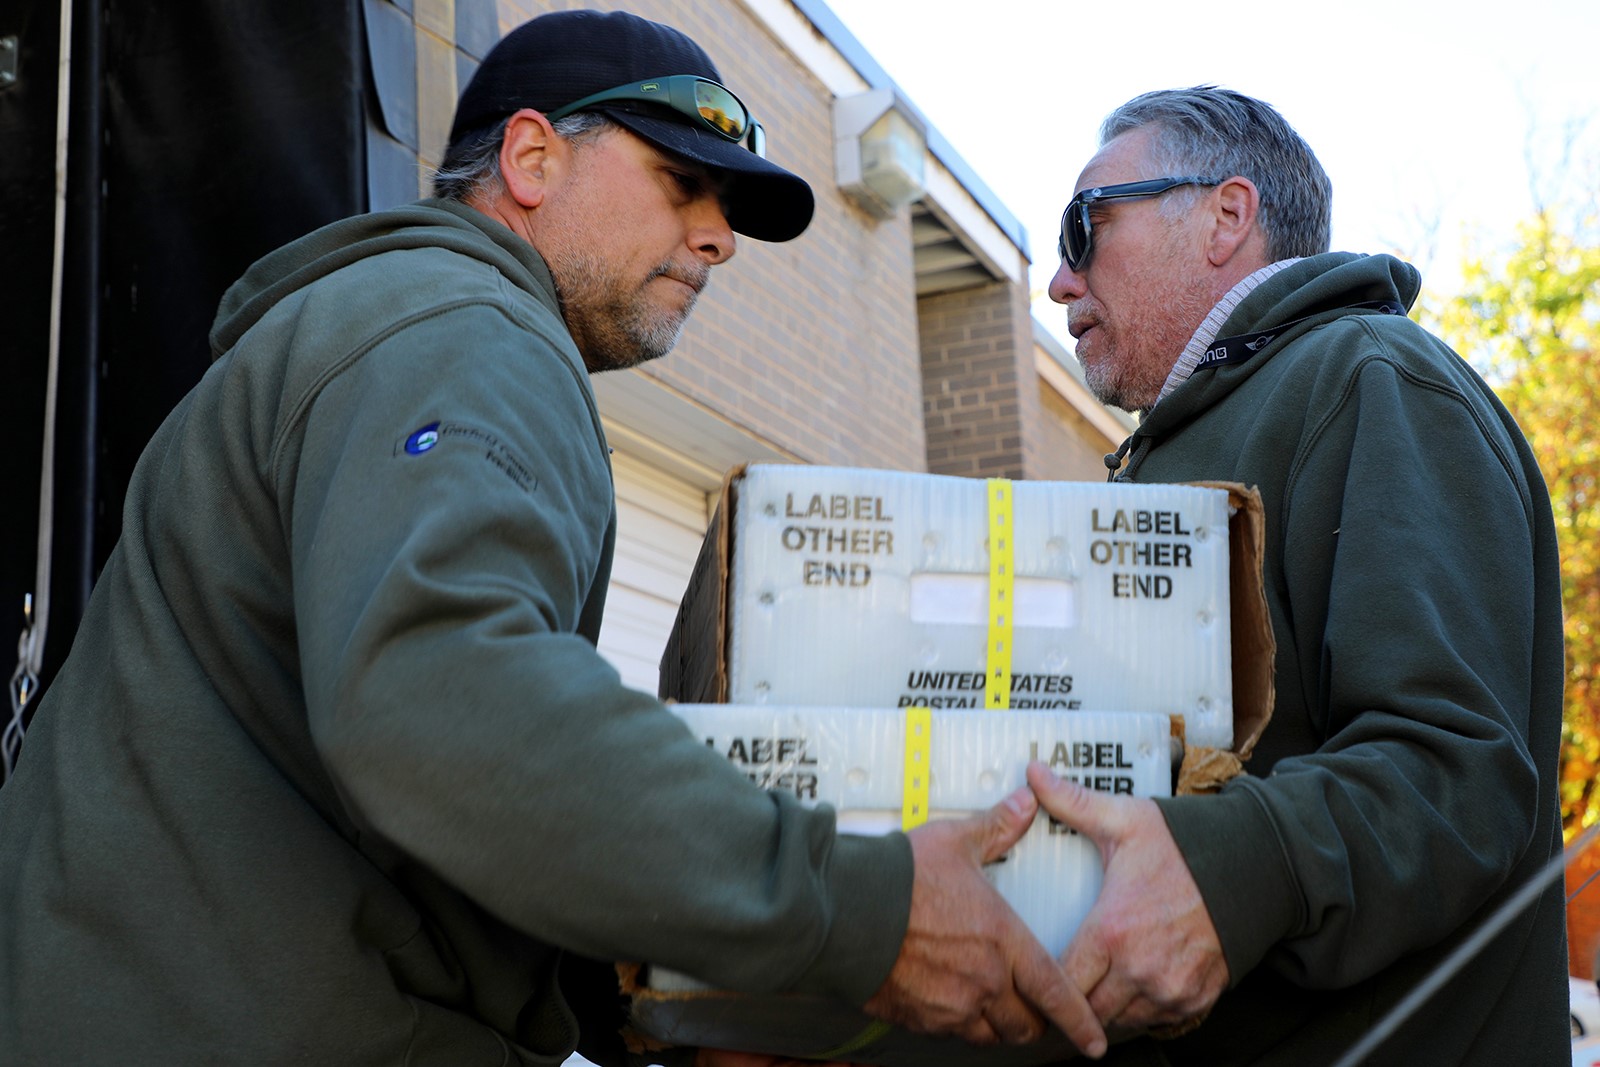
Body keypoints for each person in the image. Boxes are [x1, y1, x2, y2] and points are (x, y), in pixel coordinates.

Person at [0, 10, 1107, 1066]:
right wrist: (855, 911)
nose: (718, 238)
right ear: (531, 160)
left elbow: (418, 808)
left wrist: (646, 990)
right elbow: (444, 703)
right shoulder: (471, 334)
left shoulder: (382, 323)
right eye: (682, 183)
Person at [1027, 86, 1569, 1064]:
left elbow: (1456, 778)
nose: (1061, 280)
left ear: (1225, 215)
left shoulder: (1372, 379)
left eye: (1083, 226)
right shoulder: (1178, 446)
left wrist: (1226, 876)